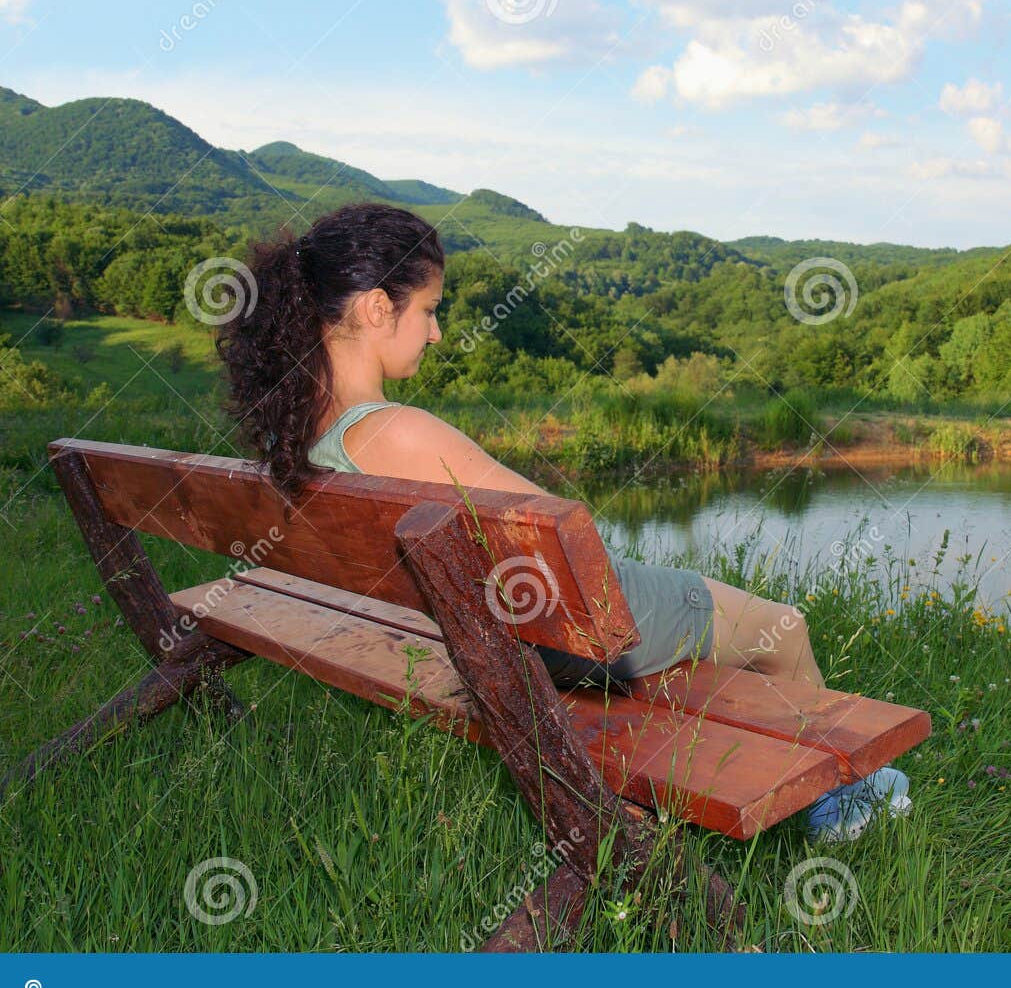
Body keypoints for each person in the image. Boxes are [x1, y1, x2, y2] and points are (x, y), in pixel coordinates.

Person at [216, 201, 909, 842]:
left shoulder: (307, 433)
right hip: (564, 628)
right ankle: (840, 803)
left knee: (716, 638)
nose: (436, 330)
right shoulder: (397, 431)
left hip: (483, 627)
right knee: (779, 626)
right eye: (428, 309)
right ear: (374, 308)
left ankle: (774, 778)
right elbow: (565, 534)